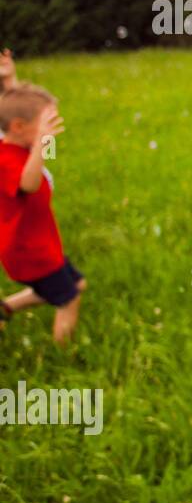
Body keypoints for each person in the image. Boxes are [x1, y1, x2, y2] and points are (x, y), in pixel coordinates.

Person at [0, 83, 86, 344]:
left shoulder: (20, 150)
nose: (53, 130)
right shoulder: (6, 159)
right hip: (30, 252)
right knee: (69, 299)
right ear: (18, 127)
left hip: (44, 245)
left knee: (77, 284)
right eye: (47, 123)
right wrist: (40, 145)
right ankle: (64, 356)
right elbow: (29, 183)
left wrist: (38, 143)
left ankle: (5, 309)